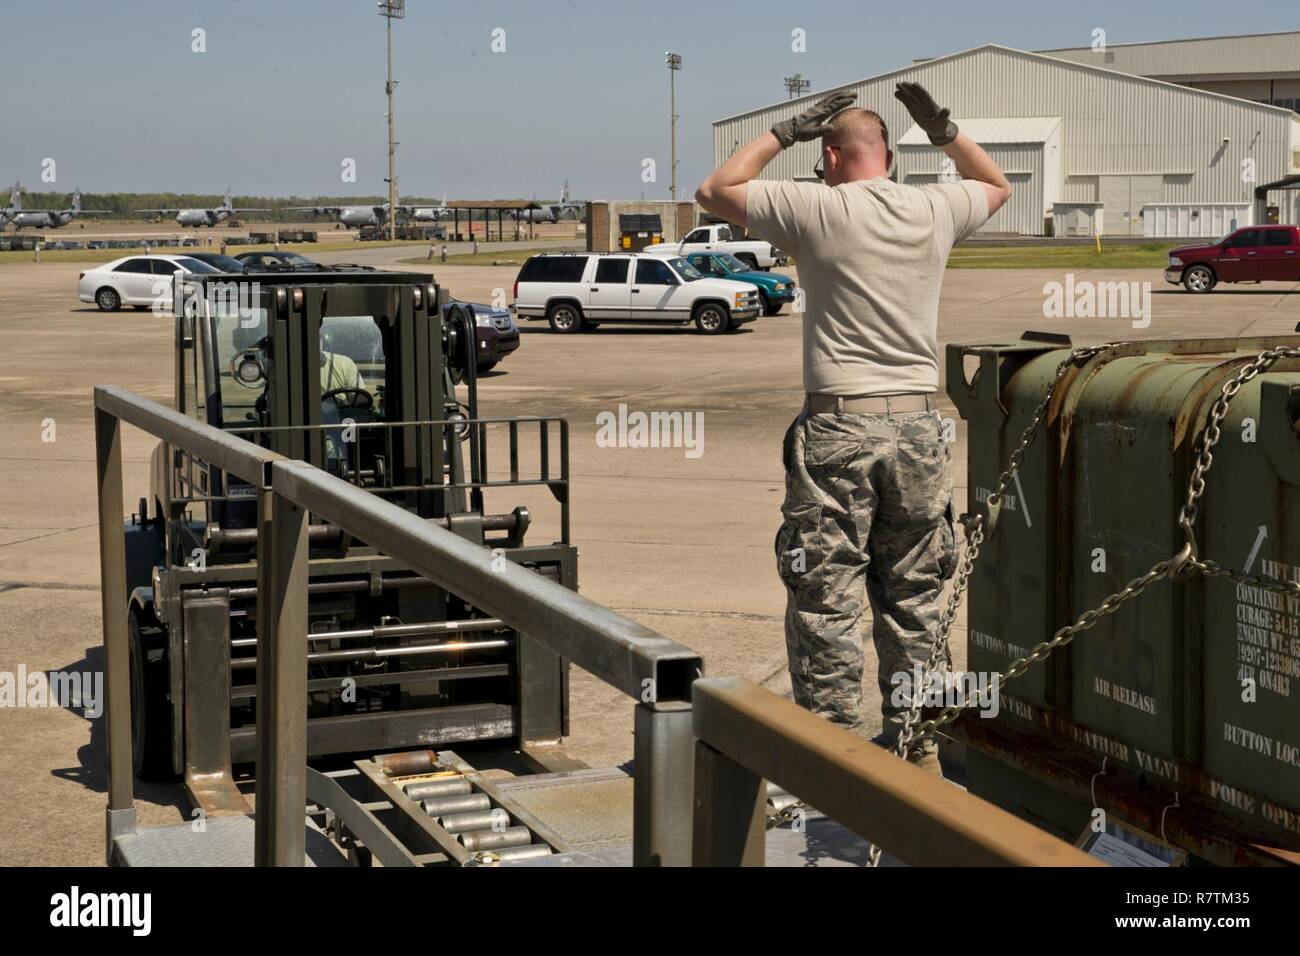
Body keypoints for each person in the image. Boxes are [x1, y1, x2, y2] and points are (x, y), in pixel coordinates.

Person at [694, 83, 1012, 772]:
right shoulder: (934, 206)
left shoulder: (819, 206)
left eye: (822, 154)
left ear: (832, 155)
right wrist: (944, 127)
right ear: (890, 156)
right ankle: (916, 746)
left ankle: (833, 757)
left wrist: (785, 130)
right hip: (920, 429)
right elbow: (994, 183)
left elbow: (715, 189)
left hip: (840, 427)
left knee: (828, 599)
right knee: (916, 596)